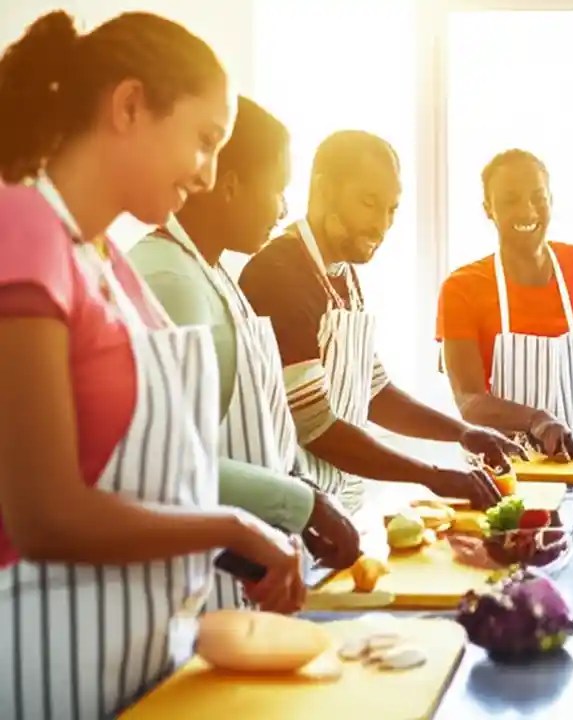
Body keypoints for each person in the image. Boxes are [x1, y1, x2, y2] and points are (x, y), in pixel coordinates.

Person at [0, 12, 303, 718]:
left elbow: (146, 478)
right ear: (130, 105)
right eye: (205, 141)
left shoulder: (106, 262)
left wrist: (240, 553)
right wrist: (234, 526)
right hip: (44, 671)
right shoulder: (22, 229)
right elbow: (45, 517)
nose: (210, 175)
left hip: (135, 670)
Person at [130, 96, 362, 610]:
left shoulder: (214, 276)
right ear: (230, 184)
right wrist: (304, 503)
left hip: (248, 568)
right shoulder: (169, 279)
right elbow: (169, 464)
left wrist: (295, 497)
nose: (282, 209)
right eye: (277, 188)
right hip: (202, 581)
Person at [240, 131, 521, 514]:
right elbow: (315, 425)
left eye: (391, 210)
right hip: (295, 511)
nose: (381, 225)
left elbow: (376, 393)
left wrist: (464, 433)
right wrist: (432, 475)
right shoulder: (278, 275)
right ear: (323, 191)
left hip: (340, 506)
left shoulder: (344, 274)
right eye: (369, 203)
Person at [437, 149, 573, 459]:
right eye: (510, 200)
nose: (527, 211)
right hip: (499, 471)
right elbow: (468, 400)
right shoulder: (462, 288)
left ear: (551, 199)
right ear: (488, 209)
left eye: (537, 197)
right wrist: (536, 420)